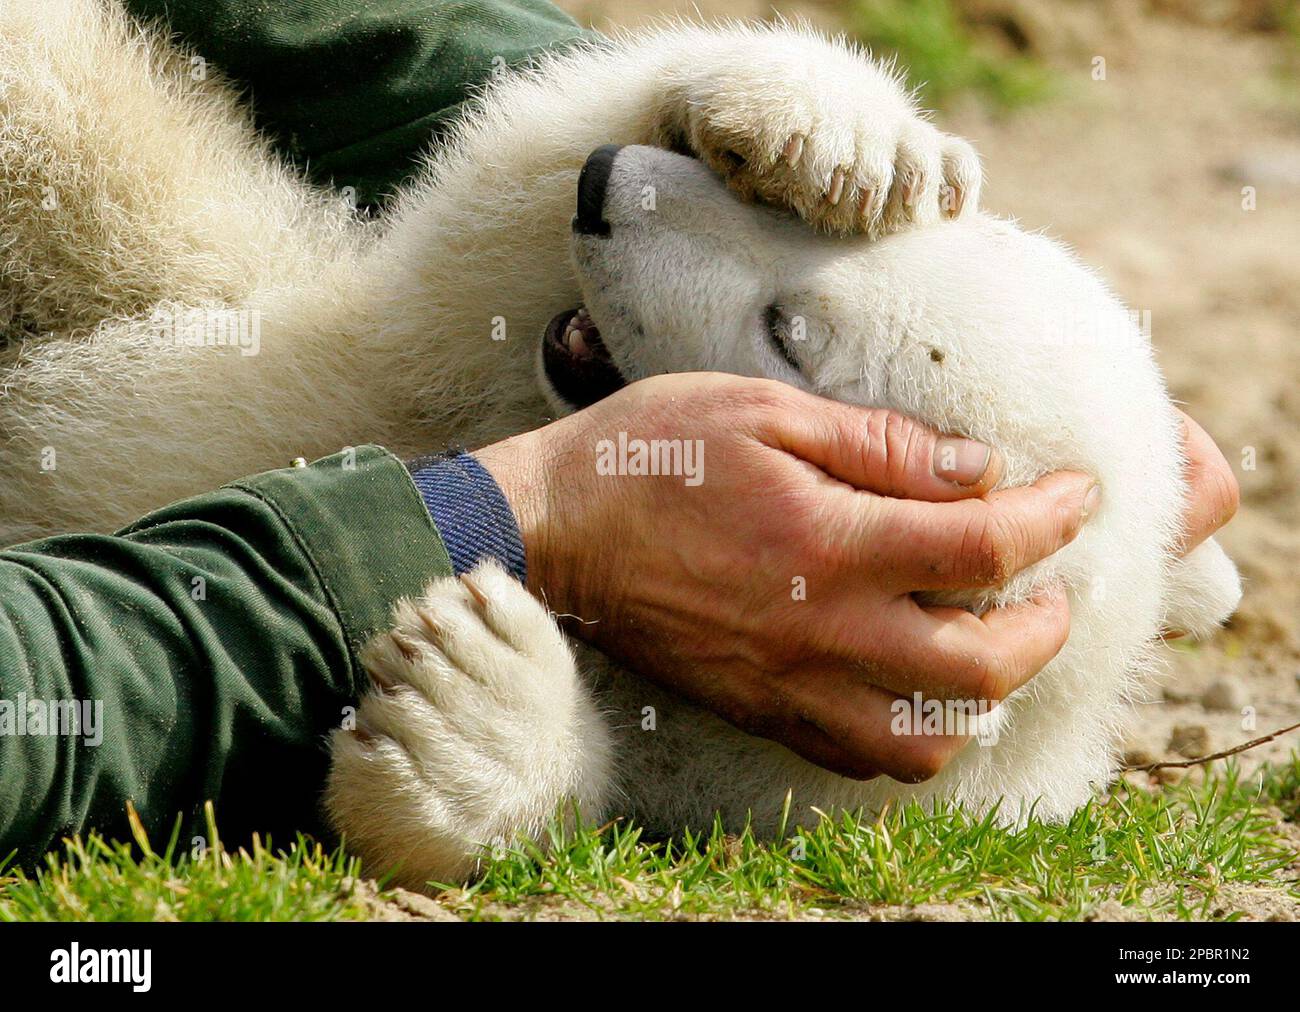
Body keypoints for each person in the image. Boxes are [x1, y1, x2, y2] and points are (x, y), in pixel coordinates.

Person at [0, 1, 1239, 865]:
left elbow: (611, 784)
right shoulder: (522, 352)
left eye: (787, 333)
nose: (622, 193)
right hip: (175, 296)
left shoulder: (836, 757)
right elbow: (463, 258)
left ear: (939, 579)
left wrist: (537, 772)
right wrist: (715, 103)